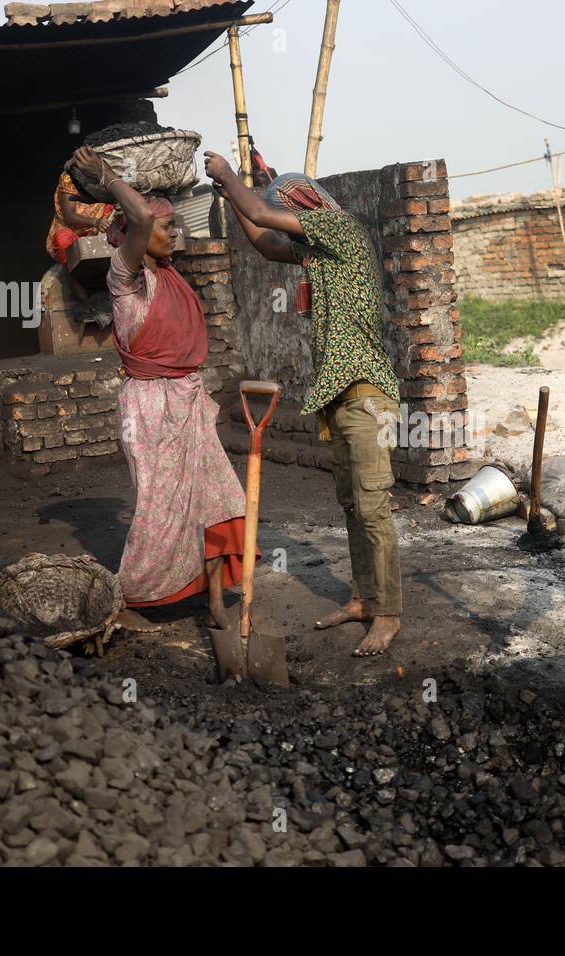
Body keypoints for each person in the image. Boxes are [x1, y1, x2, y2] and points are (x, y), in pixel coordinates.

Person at [204, 151, 403, 657]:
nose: (292, 230)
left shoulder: (343, 229)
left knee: (374, 508)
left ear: (306, 204)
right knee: (353, 505)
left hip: (366, 394)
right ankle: (362, 598)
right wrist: (232, 196)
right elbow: (267, 243)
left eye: (291, 215)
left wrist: (229, 174)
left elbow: (268, 217)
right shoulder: (319, 253)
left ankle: (388, 615)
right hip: (339, 396)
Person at [67, 147, 251, 631]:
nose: (176, 234)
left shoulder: (169, 276)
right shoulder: (126, 279)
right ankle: (126, 599)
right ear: (137, 237)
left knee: (221, 501)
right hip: (150, 407)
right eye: (168, 228)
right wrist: (107, 179)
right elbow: (142, 213)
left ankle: (212, 601)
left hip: (186, 399)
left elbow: (146, 216)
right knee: (159, 509)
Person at [46, 170, 114, 265]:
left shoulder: (107, 172)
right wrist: (96, 222)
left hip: (99, 229)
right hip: (74, 231)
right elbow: (69, 216)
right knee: (63, 238)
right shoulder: (71, 177)